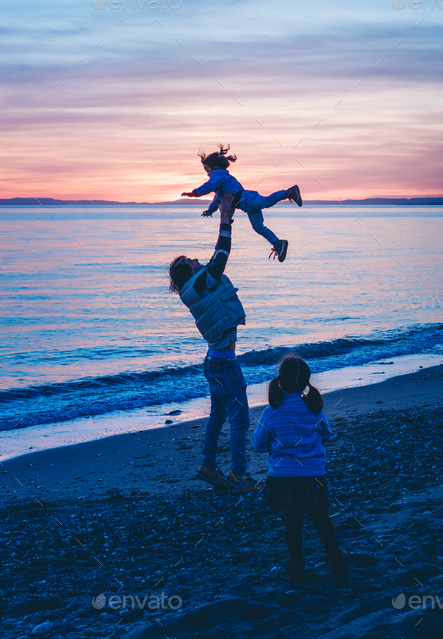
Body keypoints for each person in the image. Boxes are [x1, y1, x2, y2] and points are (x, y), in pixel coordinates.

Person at [168, 191, 257, 494]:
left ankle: (208, 465)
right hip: (223, 362)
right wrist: (223, 218)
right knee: (239, 418)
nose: (195, 259)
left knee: (219, 415)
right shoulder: (202, 281)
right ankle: (238, 474)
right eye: (190, 260)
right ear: (188, 271)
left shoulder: (195, 285)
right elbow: (221, 254)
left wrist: (228, 214)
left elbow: (214, 257)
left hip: (213, 361)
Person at [252, 356, 348, 582]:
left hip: (283, 477)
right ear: (306, 383)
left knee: (292, 522)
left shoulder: (270, 413)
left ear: (279, 382)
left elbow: (258, 445)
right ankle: (335, 561)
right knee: (321, 518)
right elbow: (326, 435)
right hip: (313, 475)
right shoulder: (313, 410)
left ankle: (296, 567)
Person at [181, 144, 302, 263]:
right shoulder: (221, 182)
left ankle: (289, 192)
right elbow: (217, 198)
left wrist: (196, 193)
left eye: (208, 171)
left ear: (216, 167)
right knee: (258, 227)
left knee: (266, 202)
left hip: (244, 198)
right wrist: (210, 210)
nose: (208, 174)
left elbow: (209, 185)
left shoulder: (218, 175)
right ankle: (278, 243)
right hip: (245, 204)